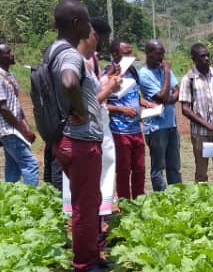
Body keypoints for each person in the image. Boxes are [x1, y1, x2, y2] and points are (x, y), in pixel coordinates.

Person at [46, 0, 117, 272]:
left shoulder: (53, 50)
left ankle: (90, 254)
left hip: (68, 140)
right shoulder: (71, 56)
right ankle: (86, 266)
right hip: (80, 142)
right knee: (86, 206)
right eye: (87, 22)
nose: (91, 27)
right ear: (76, 24)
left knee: (87, 201)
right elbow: (68, 82)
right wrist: (79, 109)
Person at [62, 21, 122, 228]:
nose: (100, 42)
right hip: (86, 130)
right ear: (88, 35)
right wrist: (110, 88)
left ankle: (95, 223)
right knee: (91, 179)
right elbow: (88, 99)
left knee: (96, 176)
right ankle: (92, 231)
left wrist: (107, 80)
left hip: (93, 126)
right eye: (97, 36)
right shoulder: (77, 61)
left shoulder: (87, 61)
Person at [0, 41, 38, 186]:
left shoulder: (7, 74)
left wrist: (26, 126)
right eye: (7, 53)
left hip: (13, 128)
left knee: (13, 167)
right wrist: (22, 129)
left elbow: (14, 103)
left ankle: (10, 197)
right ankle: (32, 200)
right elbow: (3, 108)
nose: (11, 55)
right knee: (30, 164)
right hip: (7, 129)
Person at [179, 43, 213, 182]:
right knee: (201, 174)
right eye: (202, 56)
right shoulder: (188, 79)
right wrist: (211, 126)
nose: (207, 58)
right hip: (200, 135)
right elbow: (185, 109)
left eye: (208, 55)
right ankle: (202, 201)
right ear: (193, 58)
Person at [106, 40, 149, 199]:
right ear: (115, 54)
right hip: (119, 130)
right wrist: (121, 109)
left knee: (140, 168)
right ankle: (124, 203)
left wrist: (145, 103)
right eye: (126, 53)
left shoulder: (133, 71)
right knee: (123, 169)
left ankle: (139, 200)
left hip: (136, 129)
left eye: (131, 52)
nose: (130, 55)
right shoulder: (108, 74)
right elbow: (101, 104)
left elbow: (134, 95)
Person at [138, 39, 181, 192]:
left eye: (162, 53)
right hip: (156, 128)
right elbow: (162, 96)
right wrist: (167, 72)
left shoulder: (162, 69)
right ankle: (161, 199)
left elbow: (178, 91)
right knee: (158, 168)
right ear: (148, 53)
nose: (161, 57)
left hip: (171, 124)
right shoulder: (144, 74)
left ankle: (177, 197)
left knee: (174, 165)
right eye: (158, 54)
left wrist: (167, 99)